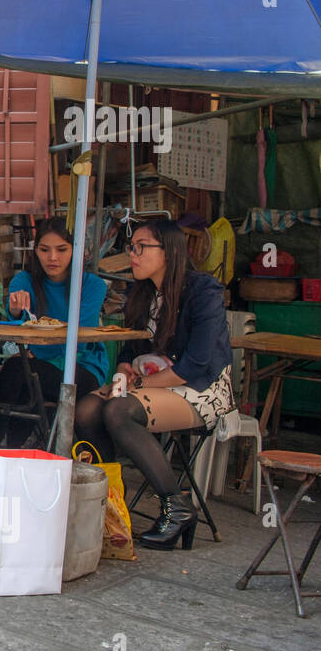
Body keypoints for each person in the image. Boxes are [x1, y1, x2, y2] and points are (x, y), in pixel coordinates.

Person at [74, 219, 233, 550]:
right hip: (150, 383)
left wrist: (138, 385)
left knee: (119, 411)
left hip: (202, 388)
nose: (132, 254)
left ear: (169, 251)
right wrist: (122, 376)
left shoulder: (204, 291)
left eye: (141, 247)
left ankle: (176, 507)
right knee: (88, 408)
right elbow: (131, 349)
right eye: (132, 247)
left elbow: (196, 365)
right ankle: (112, 501)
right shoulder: (143, 292)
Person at [0, 217, 107, 447]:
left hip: (82, 367)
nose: (53, 257)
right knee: (24, 380)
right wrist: (14, 310)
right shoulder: (24, 280)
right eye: (45, 250)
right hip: (36, 367)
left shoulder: (92, 286)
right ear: (36, 251)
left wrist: (34, 355)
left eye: (61, 249)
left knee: (18, 371)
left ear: (75, 250)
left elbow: (79, 341)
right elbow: (16, 329)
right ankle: (9, 449)